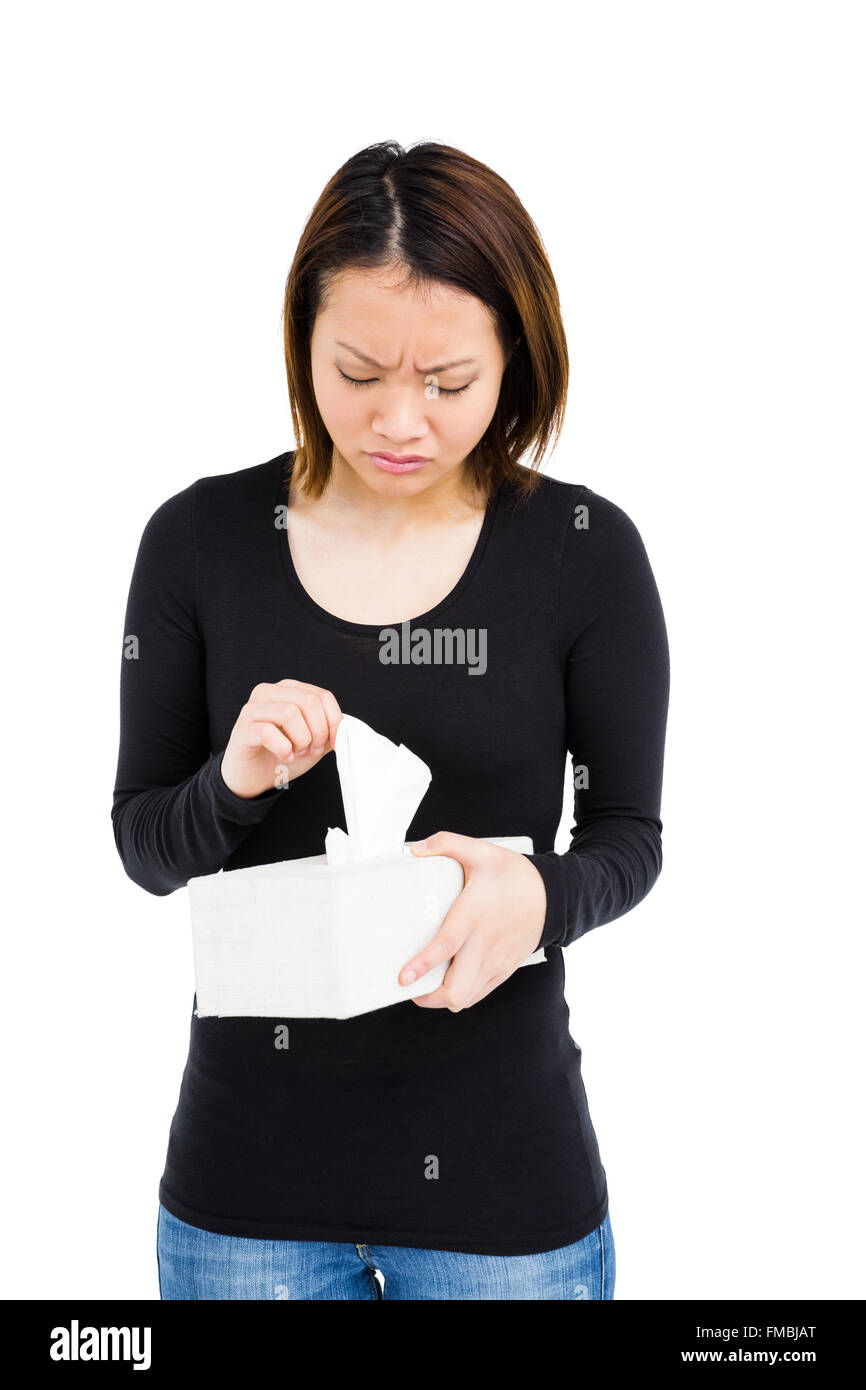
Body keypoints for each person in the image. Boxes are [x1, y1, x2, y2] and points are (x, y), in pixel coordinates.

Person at [111, 139, 669, 1301]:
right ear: (300, 341)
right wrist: (232, 783)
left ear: (515, 356)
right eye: (356, 372)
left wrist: (537, 900)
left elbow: (627, 836)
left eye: (448, 383)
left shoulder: (584, 556)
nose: (398, 422)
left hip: (503, 1207)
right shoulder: (201, 542)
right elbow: (143, 844)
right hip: (243, 1209)